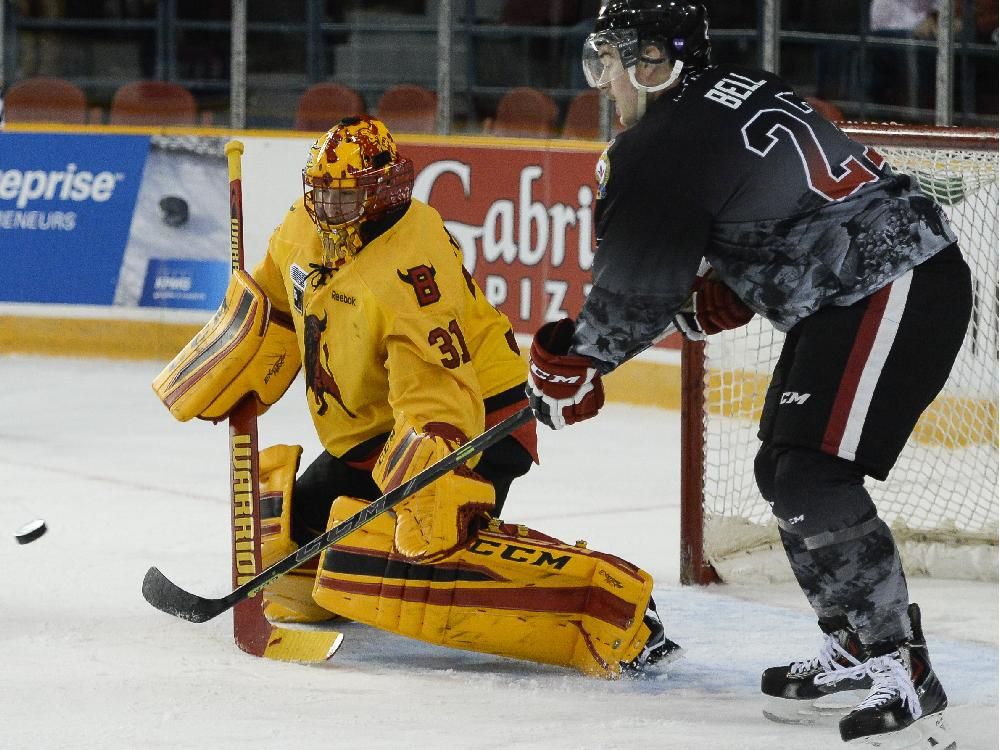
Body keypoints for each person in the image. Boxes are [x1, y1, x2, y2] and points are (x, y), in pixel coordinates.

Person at [526, 1, 970, 744]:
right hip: (858, 282)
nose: (603, 80)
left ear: (654, 63)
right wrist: (738, 285)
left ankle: (903, 668)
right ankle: (859, 645)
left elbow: (633, 296)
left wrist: (573, 360)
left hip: (896, 279)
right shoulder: (730, 89)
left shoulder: (660, 146)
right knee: (782, 469)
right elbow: (784, 210)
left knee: (811, 476)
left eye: (613, 58)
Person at [153, 115, 679, 678]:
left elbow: (435, 388)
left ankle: (613, 610)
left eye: (343, 199)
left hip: (474, 422)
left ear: (382, 194)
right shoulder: (304, 224)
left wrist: (428, 472)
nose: (326, 210)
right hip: (370, 433)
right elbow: (278, 297)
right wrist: (242, 348)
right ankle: (390, 551)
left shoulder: (412, 266)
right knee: (284, 549)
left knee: (422, 555)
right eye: (321, 195)